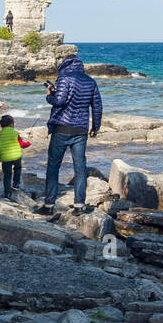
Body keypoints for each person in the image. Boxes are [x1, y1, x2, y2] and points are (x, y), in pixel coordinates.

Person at [42, 56, 102, 213]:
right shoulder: (90, 81)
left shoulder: (64, 78)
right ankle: (79, 206)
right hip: (81, 130)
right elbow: (97, 105)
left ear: (64, 66)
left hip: (62, 127)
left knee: (54, 166)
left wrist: (49, 95)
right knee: (80, 168)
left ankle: (49, 205)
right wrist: (96, 126)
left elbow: (60, 101)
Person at [0, 114, 31, 198]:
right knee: (17, 169)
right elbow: (22, 145)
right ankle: (16, 184)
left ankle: (7, 193)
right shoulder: (15, 133)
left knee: (7, 175)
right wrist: (28, 143)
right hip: (16, 157)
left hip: (5, 158)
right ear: (11, 124)